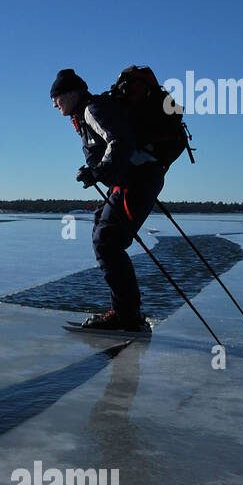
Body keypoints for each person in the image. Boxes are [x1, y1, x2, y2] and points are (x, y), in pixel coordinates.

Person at [49, 68, 165, 332]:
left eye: (57, 97)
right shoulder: (87, 114)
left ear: (72, 94)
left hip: (137, 182)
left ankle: (127, 316)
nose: (55, 104)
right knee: (102, 226)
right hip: (132, 180)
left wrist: (97, 172)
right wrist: (99, 171)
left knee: (107, 240)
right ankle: (127, 312)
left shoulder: (93, 110)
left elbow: (120, 142)